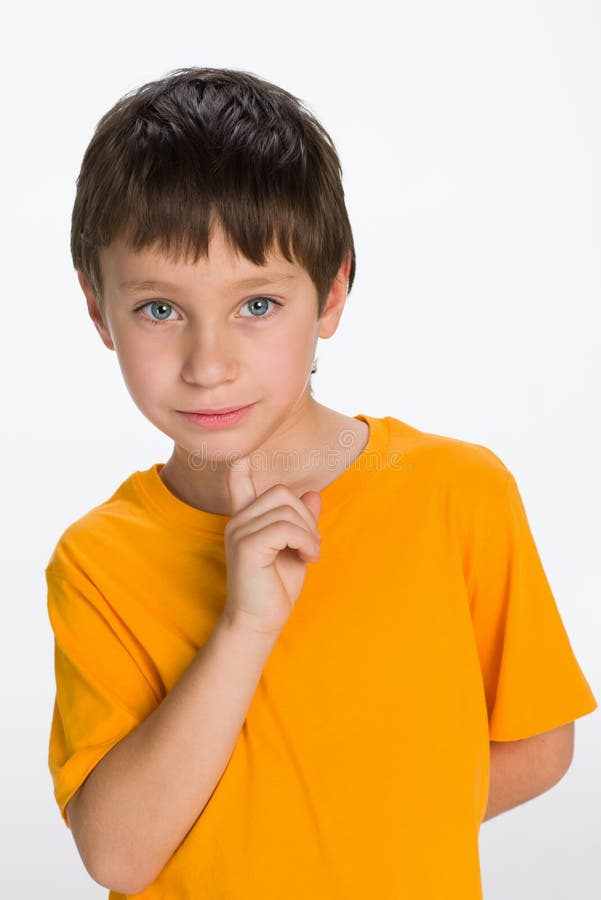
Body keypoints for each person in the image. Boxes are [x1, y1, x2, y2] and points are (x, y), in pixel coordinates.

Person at [46, 66, 597, 899]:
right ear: (98, 310)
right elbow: (117, 856)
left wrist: (346, 839)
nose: (209, 365)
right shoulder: (98, 561)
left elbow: (537, 746)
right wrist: (243, 625)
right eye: (160, 309)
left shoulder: (455, 492)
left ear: (332, 291)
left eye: (257, 305)